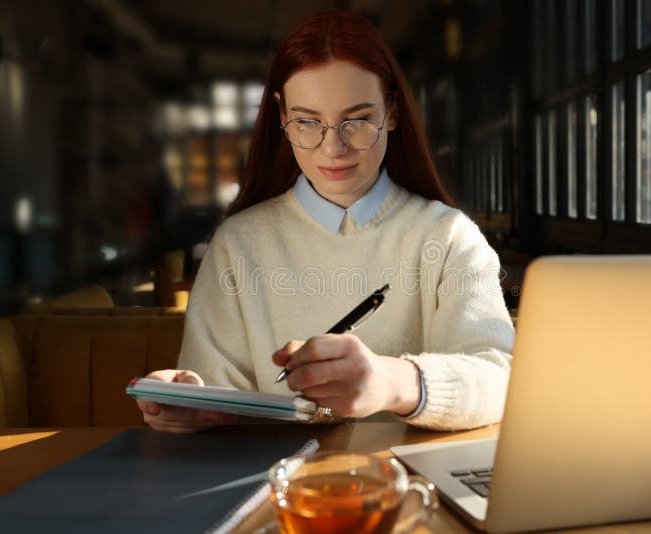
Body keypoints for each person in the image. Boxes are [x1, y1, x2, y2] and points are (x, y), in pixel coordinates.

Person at [136, 10, 515, 433]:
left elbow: (500, 377)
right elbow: (217, 396)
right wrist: (195, 404)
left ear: (391, 111)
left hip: (405, 485)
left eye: (357, 120)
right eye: (307, 122)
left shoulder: (447, 236)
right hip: (275, 487)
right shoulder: (237, 243)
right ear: (281, 116)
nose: (332, 147)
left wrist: (394, 383)